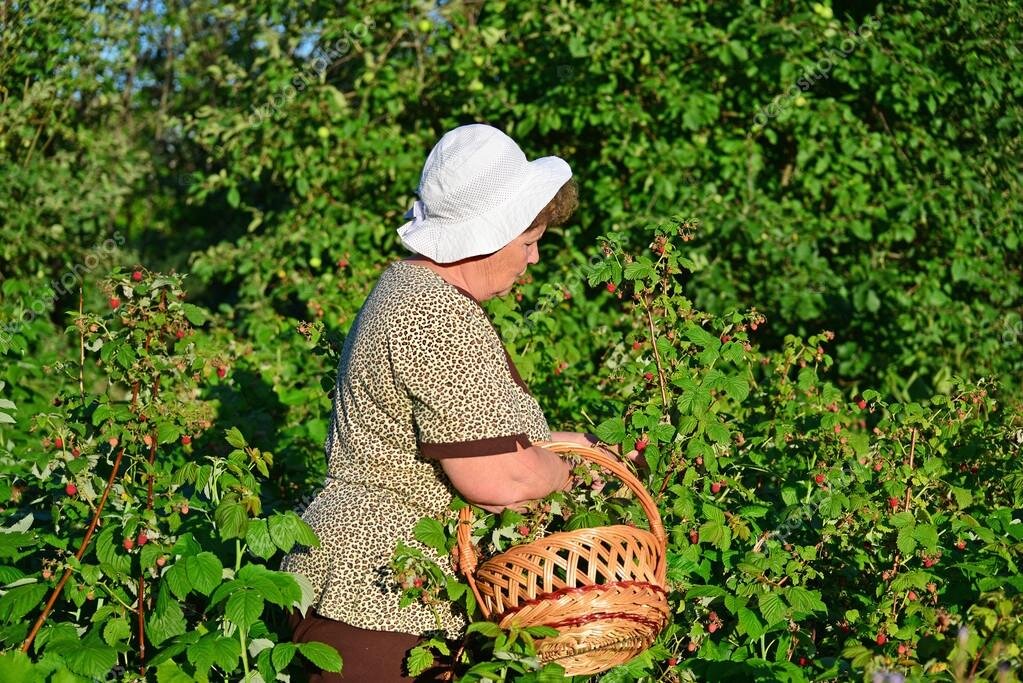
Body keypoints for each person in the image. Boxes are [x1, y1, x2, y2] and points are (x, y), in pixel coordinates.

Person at [280, 123, 615, 682]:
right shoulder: (433, 315)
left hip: (391, 597)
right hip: (379, 603)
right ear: (491, 235)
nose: (533, 259)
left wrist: (557, 445)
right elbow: (499, 479)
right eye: (529, 241)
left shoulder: (416, 294)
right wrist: (567, 473)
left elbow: (482, 435)